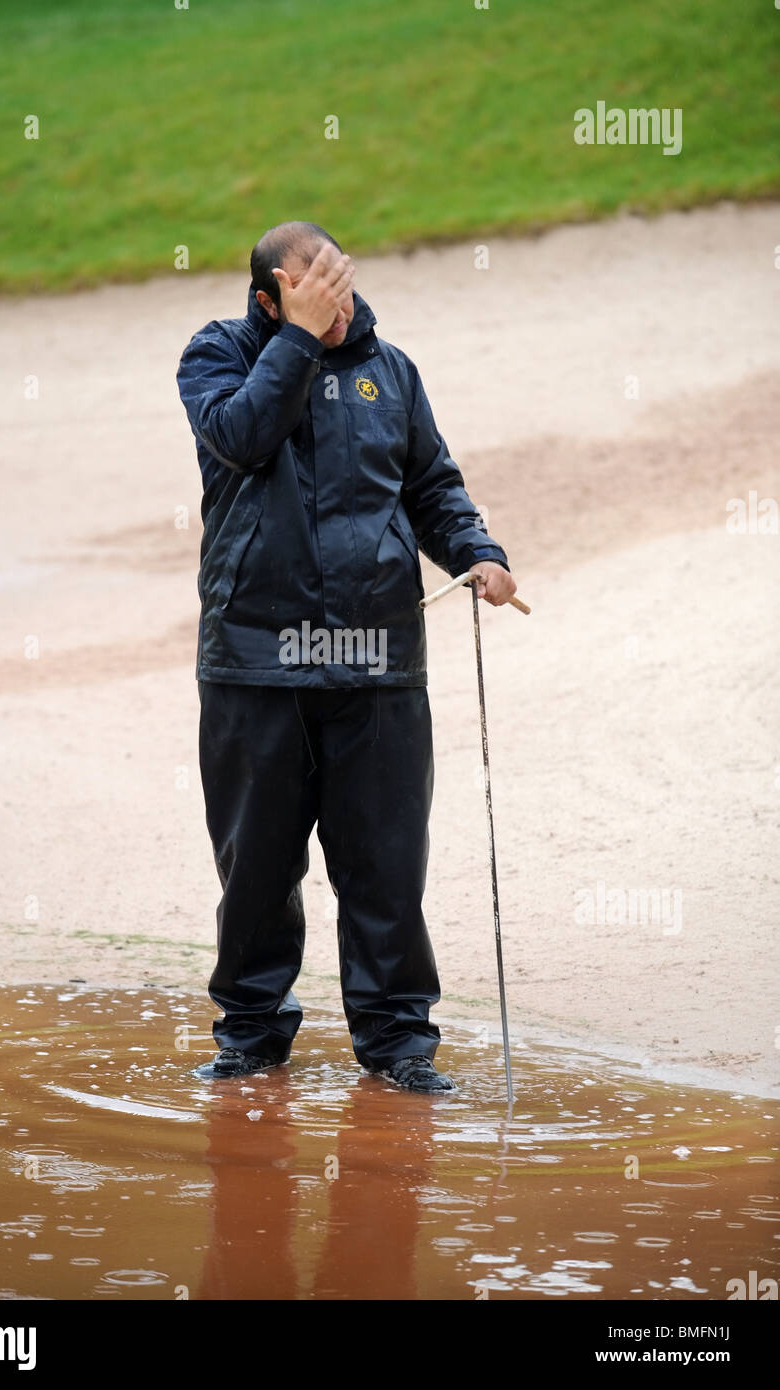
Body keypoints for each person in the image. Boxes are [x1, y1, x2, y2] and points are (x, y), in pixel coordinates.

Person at [176, 221, 517, 1092]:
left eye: (341, 282)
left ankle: (399, 1050)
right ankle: (251, 1039)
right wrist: (295, 340)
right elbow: (245, 436)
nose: (337, 303)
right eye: (312, 289)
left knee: (385, 866)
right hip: (256, 661)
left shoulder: (390, 372)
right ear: (269, 298)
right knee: (255, 869)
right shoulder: (216, 357)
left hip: (378, 660)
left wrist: (477, 551)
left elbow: (431, 482)